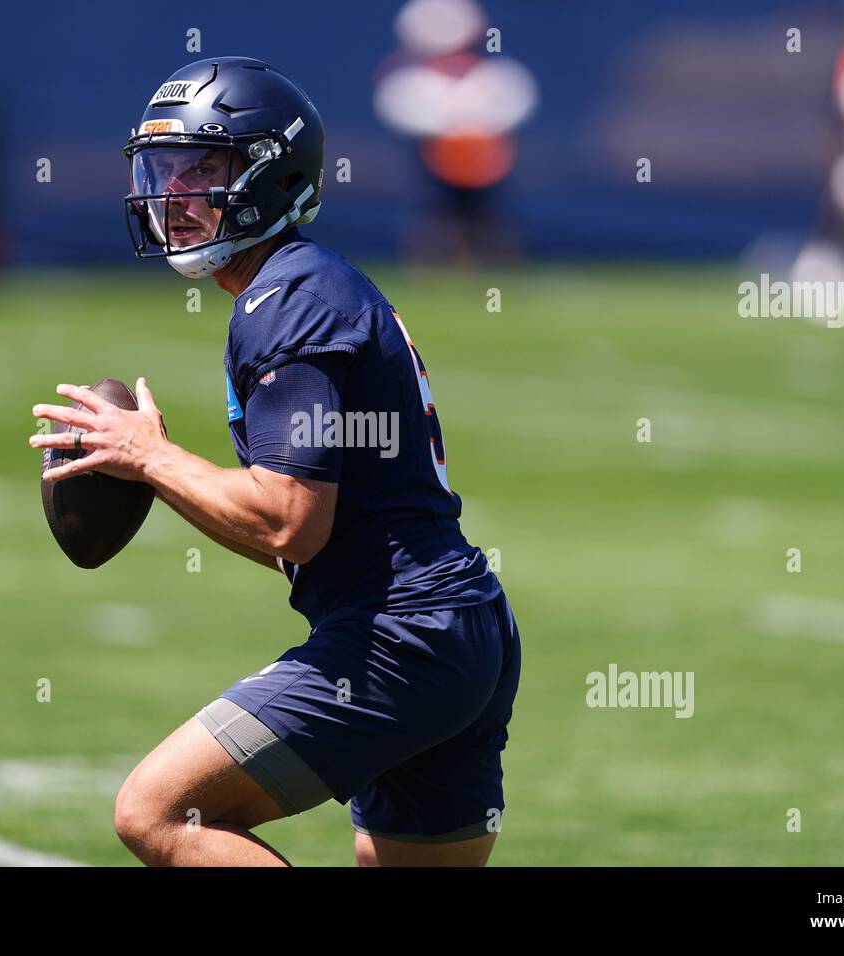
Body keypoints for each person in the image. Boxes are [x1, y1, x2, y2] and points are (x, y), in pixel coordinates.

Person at [30, 56, 521, 866]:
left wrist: (150, 458)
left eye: (202, 169)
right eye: (162, 170)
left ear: (268, 172)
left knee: (158, 813)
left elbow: (288, 521)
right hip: (453, 628)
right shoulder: (299, 286)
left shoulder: (287, 298)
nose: (173, 196)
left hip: (399, 638)